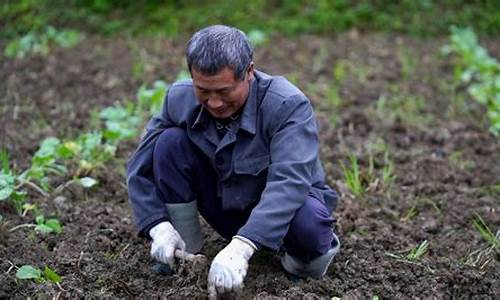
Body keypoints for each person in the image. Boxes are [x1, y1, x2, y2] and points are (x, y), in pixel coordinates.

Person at [126, 25, 340, 298]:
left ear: (249, 72)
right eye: (203, 90)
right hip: (226, 204)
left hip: (286, 214)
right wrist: (158, 226)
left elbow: (290, 182)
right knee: (169, 143)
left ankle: (296, 264)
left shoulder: (287, 105)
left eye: (224, 91)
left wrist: (241, 247)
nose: (214, 102)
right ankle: (183, 254)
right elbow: (139, 167)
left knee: (309, 225)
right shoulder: (178, 99)